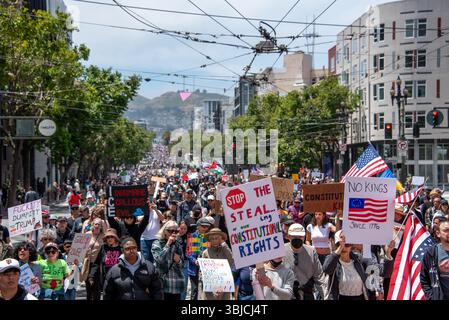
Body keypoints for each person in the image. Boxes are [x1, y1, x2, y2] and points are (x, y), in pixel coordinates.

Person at [322, 230, 394, 300]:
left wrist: (388, 253)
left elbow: (384, 272)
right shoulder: (332, 260)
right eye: (339, 244)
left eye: (347, 244)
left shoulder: (360, 259)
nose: (344, 247)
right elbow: (326, 269)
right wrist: (340, 248)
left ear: (351, 246)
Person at [283, 224, 327, 300]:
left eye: (300, 237)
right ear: (288, 236)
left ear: (304, 237)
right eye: (294, 237)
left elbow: (319, 276)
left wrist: (325, 296)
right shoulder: (281, 251)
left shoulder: (311, 251)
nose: (297, 239)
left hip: (306, 293)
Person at [151, 221, 185, 300]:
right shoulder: (157, 243)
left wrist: (178, 261)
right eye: (170, 231)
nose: (173, 233)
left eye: (176, 231)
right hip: (163, 284)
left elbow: (182, 265)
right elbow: (159, 260)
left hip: (175, 285)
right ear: (164, 231)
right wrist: (167, 245)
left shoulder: (178, 245)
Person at [199, 228, 234, 300]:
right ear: (209, 240)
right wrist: (212, 287)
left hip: (224, 288)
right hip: (210, 291)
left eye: (217, 238)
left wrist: (223, 244)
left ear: (221, 239)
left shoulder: (225, 251)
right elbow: (202, 272)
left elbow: (231, 260)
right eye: (212, 238)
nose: (214, 240)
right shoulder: (205, 252)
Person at [420, 220, 449, 300]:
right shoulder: (431, 253)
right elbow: (424, 278)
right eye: (446, 230)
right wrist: (431, 297)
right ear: (438, 233)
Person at [89, 228, 122, 297]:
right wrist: (91, 276)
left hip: (120, 278)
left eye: (112, 236)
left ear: (115, 237)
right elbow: (96, 263)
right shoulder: (103, 248)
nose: (109, 238)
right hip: (106, 278)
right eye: (107, 237)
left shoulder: (121, 248)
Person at [186, 217, 213, 300]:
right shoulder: (191, 236)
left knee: (207, 290)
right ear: (198, 226)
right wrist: (195, 261)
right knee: (194, 290)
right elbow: (188, 253)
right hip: (194, 268)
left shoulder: (209, 237)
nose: (206, 228)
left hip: (206, 268)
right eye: (203, 226)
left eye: (207, 226)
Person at [82, 217, 105, 300]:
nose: (97, 225)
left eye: (99, 224)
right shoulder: (87, 234)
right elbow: (80, 247)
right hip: (88, 262)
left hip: (98, 263)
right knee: (88, 286)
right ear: (92, 225)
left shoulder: (104, 236)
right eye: (95, 224)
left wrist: (103, 220)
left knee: (96, 286)